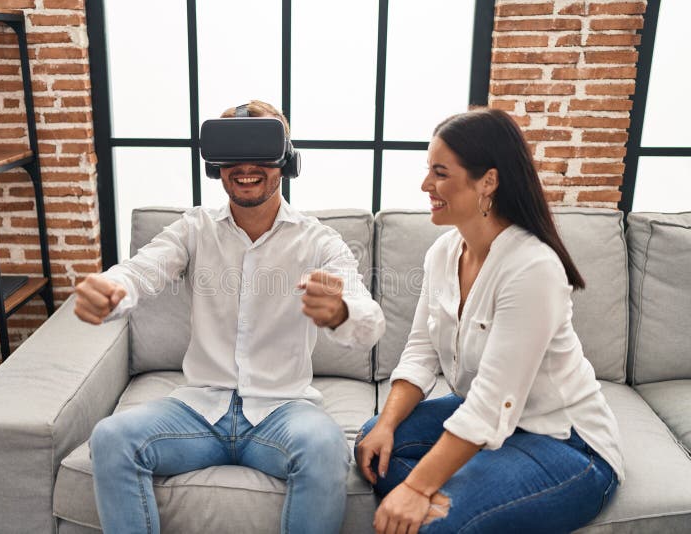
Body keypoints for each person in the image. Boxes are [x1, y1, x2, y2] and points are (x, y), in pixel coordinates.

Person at [74, 100, 386, 534]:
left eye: (260, 151)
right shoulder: (193, 228)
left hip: (282, 411)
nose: (246, 167)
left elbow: (369, 323)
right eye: (233, 153)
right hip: (198, 412)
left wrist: (340, 312)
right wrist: (112, 290)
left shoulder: (319, 241)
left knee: (325, 446)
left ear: (286, 160)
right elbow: (140, 271)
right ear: (214, 164)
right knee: (111, 438)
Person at [355, 108, 623, 533]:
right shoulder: (442, 254)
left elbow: (493, 400)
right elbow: (421, 352)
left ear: (488, 182)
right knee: (373, 443)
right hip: (490, 425)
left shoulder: (532, 267)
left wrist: (419, 487)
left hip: (565, 443)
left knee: (435, 521)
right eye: (428, 170)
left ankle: (464, 501)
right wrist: (387, 425)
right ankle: (477, 485)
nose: (426, 185)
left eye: (440, 173)